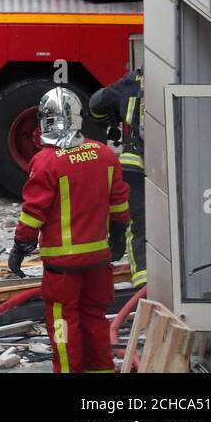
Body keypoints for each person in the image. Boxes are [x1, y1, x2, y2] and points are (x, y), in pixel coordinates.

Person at [9, 87, 130, 374]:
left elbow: (33, 213)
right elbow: (119, 204)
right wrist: (119, 236)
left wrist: (19, 247)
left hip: (63, 266)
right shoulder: (104, 154)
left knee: (64, 326)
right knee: (95, 320)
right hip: (99, 260)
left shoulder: (46, 161)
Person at [89, 70, 145, 289]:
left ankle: (143, 286)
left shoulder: (131, 81)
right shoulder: (178, 75)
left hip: (134, 165)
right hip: (171, 166)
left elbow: (96, 104)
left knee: (139, 227)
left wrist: (109, 116)